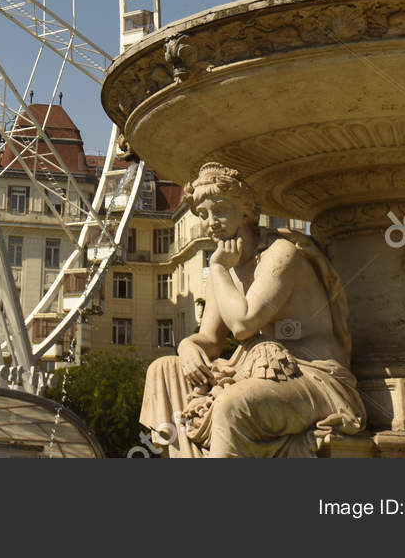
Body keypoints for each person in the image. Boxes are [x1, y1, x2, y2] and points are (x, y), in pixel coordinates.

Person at [139, 163, 365, 457]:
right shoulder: (226, 267)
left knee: (234, 405)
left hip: (311, 376)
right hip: (253, 372)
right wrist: (186, 347)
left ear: (245, 210)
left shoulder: (280, 255)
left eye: (220, 210)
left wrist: (218, 268)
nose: (211, 223)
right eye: (203, 215)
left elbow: (244, 324)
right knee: (163, 370)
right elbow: (210, 337)